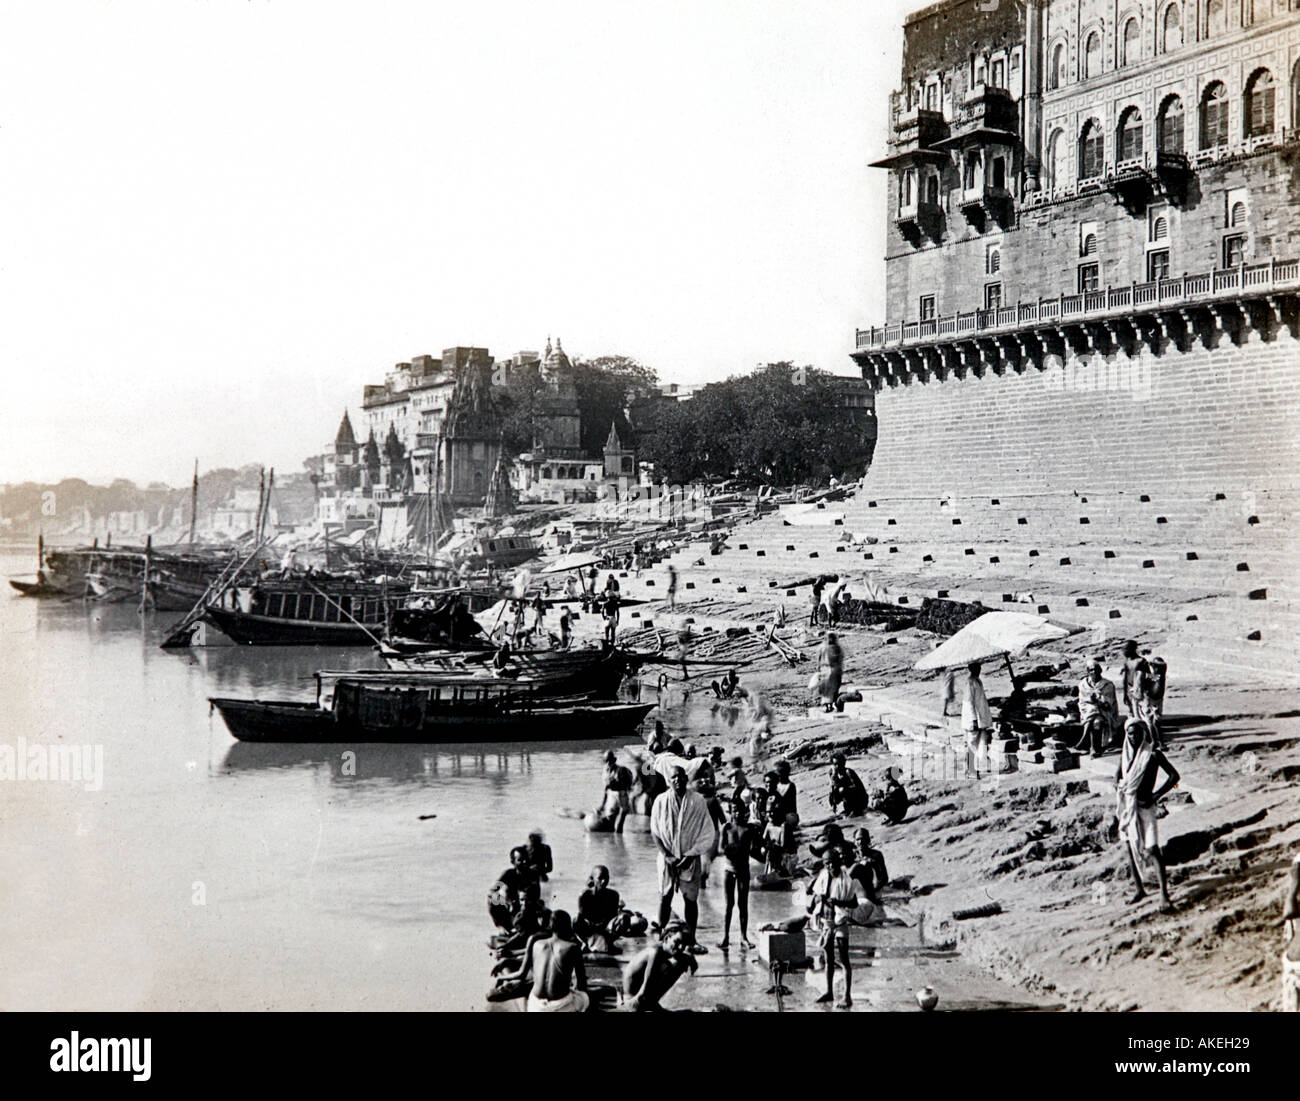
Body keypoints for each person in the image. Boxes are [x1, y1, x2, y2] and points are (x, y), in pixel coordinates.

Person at [649, 766, 718, 950]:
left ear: (686, 778)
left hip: (690, 856)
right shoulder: (661, 801)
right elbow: (655, 831)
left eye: (680, 776)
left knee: (691, 899)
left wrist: (692, 854)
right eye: (673, 777)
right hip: (667, 857)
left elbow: (706, 832)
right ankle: (663, 936)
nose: (677, 780)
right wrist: (666, 855)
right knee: (665, 897)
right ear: (668, 781)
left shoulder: (697, 801)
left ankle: (691, 939)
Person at [1115, 718, 1179, 911]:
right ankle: (1139, 889)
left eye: (1136, 733)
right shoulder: (1125, 755)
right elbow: (1118, 775)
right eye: (1130, 733)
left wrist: (1156, 795)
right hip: (1128, 806)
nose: (1133, 737)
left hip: (1146, 806)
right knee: (1130, 846)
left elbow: (1174, 777)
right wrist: (1121, 787)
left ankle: (1164, 895)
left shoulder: (1152, 754)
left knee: (1152, 849)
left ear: (1143, 733)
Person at [807, 844, 859, 1008]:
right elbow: (814, 896)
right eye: (827, 863)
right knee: (828, 959)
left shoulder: (846, 880)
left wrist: (838, 902)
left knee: (844, 960)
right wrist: (816, 900)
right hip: (826, 922)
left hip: (840, 922)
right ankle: (829, 991)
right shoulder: (823, 876)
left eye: (832, 862)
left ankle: (847, 996)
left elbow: (854, 903)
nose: (830, 866)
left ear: (839, 861)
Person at [511, 910, 589, 1012]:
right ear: (568, 927)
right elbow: (581, 984)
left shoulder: (537, 944)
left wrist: (502, 977)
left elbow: (522, 973)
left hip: (535, 1006)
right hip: (560, 1006)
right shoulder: (573, 947)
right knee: (585, 998)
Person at [622, 924, 697, 1011]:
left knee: (682, 961)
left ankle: (650, 1003)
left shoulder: (661, 950)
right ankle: (649, 1004)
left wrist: (690, 959)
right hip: (634, 1001)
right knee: (680, 963)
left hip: (639, 997)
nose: (681, 947)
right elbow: (646, 988)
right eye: (677, 942)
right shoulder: (655, 953)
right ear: (666, 939)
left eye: (683, 945)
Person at [718, 802, 759, 950]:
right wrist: (731, 850)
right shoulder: (726, 828)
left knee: (743, 904)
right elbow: (720, 848)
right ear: (730, 811)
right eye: (734, 811)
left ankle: (743, 937)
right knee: (729, 905)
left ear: (746, 812)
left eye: (740, 811)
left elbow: (754, 849)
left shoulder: (749, 829)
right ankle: (725, 936)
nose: (737, 814)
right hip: (729, 869)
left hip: (743, 870)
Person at [575, 866, 628, 951]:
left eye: (606, 878)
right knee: (575, 920)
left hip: (605, 927)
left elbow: (613, 916)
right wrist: (593, 926)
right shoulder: (584, 895)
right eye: (600, 878)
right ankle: (585, 943)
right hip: (589, 928)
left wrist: (603, 926)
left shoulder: (614, 895)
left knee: (625, 918)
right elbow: (582, 916)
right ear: (593, 879)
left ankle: (610, 943)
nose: (604, 881)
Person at [489, 845, 541, 930]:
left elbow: (537, 894)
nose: (524, 862)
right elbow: (493, 891)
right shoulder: (508, 874)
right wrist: (507, 902)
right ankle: (504, 927)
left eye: (526, 859)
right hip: (511, 908)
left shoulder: (533, 874)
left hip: (528, 906)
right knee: (492, 900)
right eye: (520, 860)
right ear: (513, 862)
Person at [1075, 659, 1120, 757]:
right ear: (1088, 672)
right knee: (1092, 713)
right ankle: (1092, 745)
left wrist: (1098, 702)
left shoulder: (1107, 685)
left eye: (1096, 669)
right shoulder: (1083, 684)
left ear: (1100, 670)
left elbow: (1108, 704)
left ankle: (1093, 746)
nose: (1094, 672)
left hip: (1104, 712)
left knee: (1097, 722)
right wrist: (1091, 701)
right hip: (1087, 711)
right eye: (1091, 670)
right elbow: (1082, 701)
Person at [961, 662, 993, 775]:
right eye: (977, 668)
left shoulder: (978, 681)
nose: (979, 670)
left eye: (979, 668)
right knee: (972, 742)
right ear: (972, 669)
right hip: (973, 719)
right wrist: (973, 719)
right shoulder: (970, 683)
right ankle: (971, 768)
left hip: (981, 717)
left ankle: (980, 766)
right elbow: (968, 702)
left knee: (982, 742)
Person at [849, 827, 889, 904]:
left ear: (868, 840)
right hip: (857, 890)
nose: (860, 842)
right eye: (857, 839)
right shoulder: (852, 856)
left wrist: (874, 890)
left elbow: (884, 878)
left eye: (862, 839)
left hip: (874, 890)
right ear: (854, 841)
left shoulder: (876, 855)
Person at [600, 749, 634, 833]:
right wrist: (602, 804)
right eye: (606, 761)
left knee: (620, 821)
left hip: (621, 794)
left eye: (609, 761)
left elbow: (628, 784)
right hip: (612, 794)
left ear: (614, 760)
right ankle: (614, 841)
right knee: (610, 818)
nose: (608, 764)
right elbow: (606, 789)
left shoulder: (621, 770)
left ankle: (618, 837)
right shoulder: (605, 771)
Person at [828, 752, 869, 818]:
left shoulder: (848, 772)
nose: (837, 766)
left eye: (839, 764)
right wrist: (834, 804)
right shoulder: (832, 773)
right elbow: (833, 789)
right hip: (846, 799)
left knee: (842, 790)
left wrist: (842, 786)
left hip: (859, 798)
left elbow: (857, 788)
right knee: (834, 793)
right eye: (835, 764)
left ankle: (855, 809)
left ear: (843, 763)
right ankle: (847, 809)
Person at [761, 799, 797, 876]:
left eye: (772, 811)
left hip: (784, 856)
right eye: (768, 812)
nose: (770, 814)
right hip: (774, 854)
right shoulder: (769, 825)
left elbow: (783, 846)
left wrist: (771, 846)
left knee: (772, 852)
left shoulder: (783, 826)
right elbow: (763, 840)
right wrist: (764, 847)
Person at [818, 632, 844, 712]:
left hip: (825, 669)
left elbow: (819, 659)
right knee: (833, 688)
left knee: (826, 689)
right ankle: (832, 705)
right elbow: (841, 659)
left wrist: (819, 668)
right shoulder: (837, 648)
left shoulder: (822, 647)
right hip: (835, 669)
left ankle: (827, 706)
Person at [774, 760, 799, 825]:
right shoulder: (776, 785)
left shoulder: (790, 785)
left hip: (789, 814)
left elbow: (784, 802)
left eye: (779, 774)